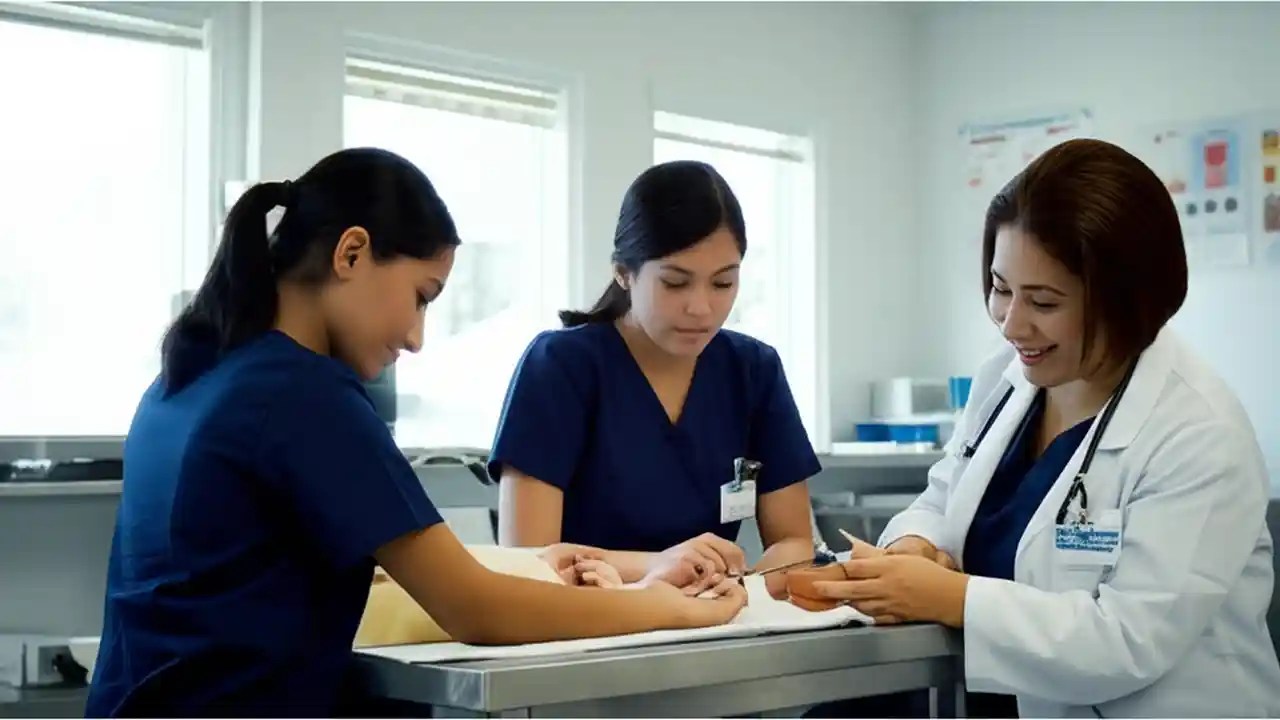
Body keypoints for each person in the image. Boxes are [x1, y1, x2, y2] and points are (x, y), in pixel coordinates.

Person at [84, 148, 746, 718]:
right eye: (422, 296)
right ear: (352, 252)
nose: (416, 336)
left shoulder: (192, 374)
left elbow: (308, 572)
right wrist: (669, 609)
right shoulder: (305, 396)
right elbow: (475, 609)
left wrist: (543, 569)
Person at [807, 139, 1280, 718]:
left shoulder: (1198, 434)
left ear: (1126, 300)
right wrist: (916, 546)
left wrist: (954, 597)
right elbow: (942, 497)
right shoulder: (1007, 380)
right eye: (1001, 289)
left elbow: (1126, 641)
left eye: (1044, 302)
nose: (1011, 324)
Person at [489, 160, 821, 599]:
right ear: (624, 273)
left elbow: (794, 543)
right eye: (675, 283)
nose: (701, 308)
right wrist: (666, 568)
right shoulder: (561, 365)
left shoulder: (753, 370)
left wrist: (745, 593)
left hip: (707, 628)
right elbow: (527, 558)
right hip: (585, 630)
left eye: (723, 284)